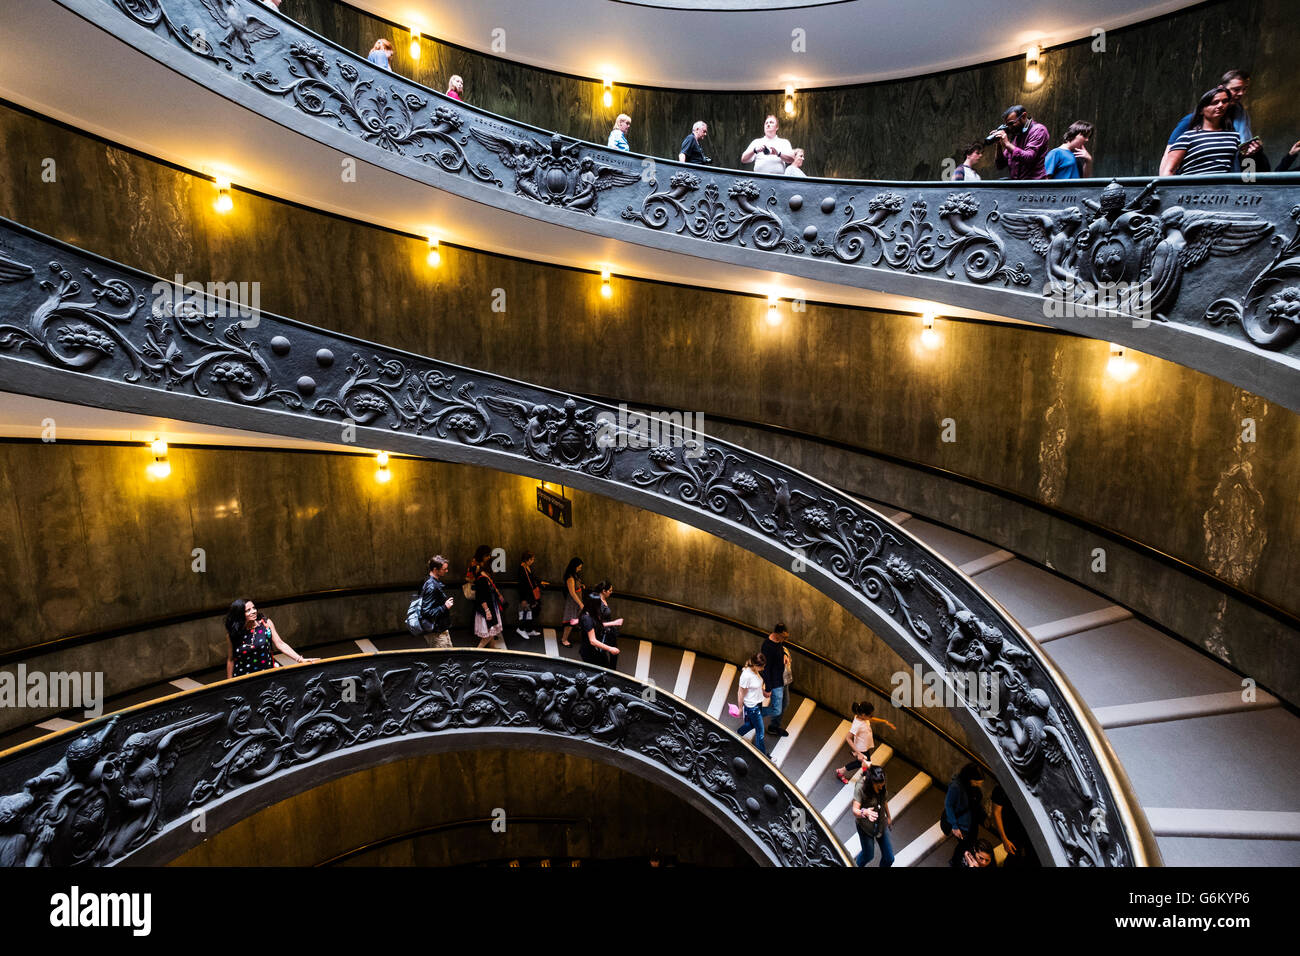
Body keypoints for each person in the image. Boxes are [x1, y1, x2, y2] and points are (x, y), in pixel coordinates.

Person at [224, 599, 317, 679]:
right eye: (248, 610)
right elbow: (231, 659)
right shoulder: (233, 634)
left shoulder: (265, 624)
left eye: (253, 608)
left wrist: (300, 659)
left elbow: (280, 644)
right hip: (243, 677)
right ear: (240, 614)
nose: (253, 611)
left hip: (266, 673)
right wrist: (229, 683)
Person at [1160, 87, 1242, 176]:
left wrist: (1251, 155)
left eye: (1225, 101)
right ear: (1201, 110)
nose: (1220, 105)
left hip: (1224, 188)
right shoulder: (1188, 137)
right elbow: (1169, 170)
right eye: (1215, 102)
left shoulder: (1234, 137)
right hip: (1193, 188)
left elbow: (1246, 169)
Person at [834, 701, 896, 783]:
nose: (871, 716)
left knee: (864, 762)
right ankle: (842, 771)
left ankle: (863, 774)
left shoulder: (862, 717)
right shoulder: (857, 725)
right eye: (870, 715)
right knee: (865, 762)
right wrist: (858, 752)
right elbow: (848, 738)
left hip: (864, 745)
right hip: (861, 748)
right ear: (863, 715)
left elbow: (871, 719)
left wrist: (884, 721)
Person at [943, 762, 986, 867]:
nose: (979, 785)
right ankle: (955, 862)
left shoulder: (972, 787)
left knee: (970, 843)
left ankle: (961, 860)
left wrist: (984, 816)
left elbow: (975, 803)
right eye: (977, 782)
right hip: (962, 824)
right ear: (970, 779)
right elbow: (948, 805)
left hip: (972, 822)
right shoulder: (956, 787)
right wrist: (954, 826)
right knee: (964, 845)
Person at [990, 105, 1050, 180]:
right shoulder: (1017, 135)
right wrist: (998, 144)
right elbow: (1000, 165)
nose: (1009, 127)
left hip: (1034, 187)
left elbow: (1028, 157)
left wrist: (1007, 144)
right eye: (1007, 125)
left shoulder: (1038, 130)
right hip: (1018, 187)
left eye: (1011, 123)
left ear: (1024, 116)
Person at [852, 764, 894, 867]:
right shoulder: (861, 786)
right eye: (878, 786)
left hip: (881, 824)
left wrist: (888, 817)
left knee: (889, 858)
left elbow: (884, 801)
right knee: (868, 855)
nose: (881, 787)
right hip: (866, 827)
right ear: (871, 782)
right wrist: (864, 812)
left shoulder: (881, 783)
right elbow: (854, 810)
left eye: (882, 785)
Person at [990, 782, 1038, 867]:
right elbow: (996, 812)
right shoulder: (1003, 788)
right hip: (1014, 833)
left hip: (1030, 833)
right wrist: (1004, 839)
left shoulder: (1030, 788)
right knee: (1014, 857)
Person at [470, 545, 506, 648]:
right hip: (486, 606)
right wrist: (487, 610)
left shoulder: (483, 573)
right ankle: (477, 650)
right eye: (487, 555)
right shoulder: (481, 575)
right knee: (490, 631)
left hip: (490, 604)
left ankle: (493, 648)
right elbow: (481, 595)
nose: (489, 557)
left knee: (492, 630)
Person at [735, 653, 769, 756]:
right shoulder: (746, 675)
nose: (763, 669)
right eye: (761, 666)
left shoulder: (755, 670)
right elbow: (740, 692)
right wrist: (740, 708)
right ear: (755, 665)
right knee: (760, 732)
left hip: (758, 702)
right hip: (752, 706)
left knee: (751, 724)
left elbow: (755, 686)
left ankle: (737, 734)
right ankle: (763, 756)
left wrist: (762, 691)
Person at [419, 555, 455, 649]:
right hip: (436, 633)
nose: (446, 571)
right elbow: (426, 611)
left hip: (441, 629)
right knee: (441, 661)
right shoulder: (431, 586)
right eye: (444, 569)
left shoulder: (432, 582)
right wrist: (445, 607)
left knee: (448, 659)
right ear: (435, 569)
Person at [578, 589, 620, 668]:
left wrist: (613, 623)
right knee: (602, 669)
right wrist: (610, 649)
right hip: (590, 652)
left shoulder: (589, 613)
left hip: (596, 650)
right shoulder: (587, 618)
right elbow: (592, 641)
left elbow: (596, 625)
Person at [760, 624, 790, 737]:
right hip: (775, 682)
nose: (785, 640)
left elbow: (781, 649)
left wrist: (785, 655)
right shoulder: (767, 647)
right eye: (784, 637)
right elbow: (766, 669)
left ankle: (774, 726)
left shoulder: (778, 641)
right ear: (777, 634)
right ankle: (754, 712)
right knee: (777, 710)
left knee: (785, 703)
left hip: (783, 679)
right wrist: (768, 688)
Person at [515, 550, 546, 640]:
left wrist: (540, 582)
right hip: (526, 595)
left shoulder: (527, 567)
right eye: (532, 559)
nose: (533, 561)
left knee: (533, 612)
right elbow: (521, 586)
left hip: (531, 594)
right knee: (526, 613)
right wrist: (523, 599)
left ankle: (528, 629)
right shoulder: (522, 569)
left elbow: (533, 578)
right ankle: (521, 629)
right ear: (527, 560)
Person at [560, 556, 584, 647]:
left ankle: (566, 638)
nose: (580, 569)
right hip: (573, 602)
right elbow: (572, 593)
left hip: (576, 601)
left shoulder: (575, 575)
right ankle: (564, 639)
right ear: (575, 566)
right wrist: (581, 604)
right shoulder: (570, 577)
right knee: (570, 621)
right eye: (579, 567)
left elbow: (576, 586)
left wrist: (581, 586)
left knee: (574, 620)